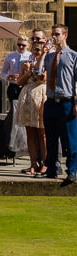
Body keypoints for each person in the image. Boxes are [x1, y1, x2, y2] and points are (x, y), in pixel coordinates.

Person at [42, 24, 77, 187]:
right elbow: (37, 72)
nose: (54, 37)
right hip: (51, 102)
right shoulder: (49, 57)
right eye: (53, 34)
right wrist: (43, 54)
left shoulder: (73, 56)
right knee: (51, 137)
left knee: (69, 139)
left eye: (57, 34)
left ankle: (72, 171)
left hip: (66, 102)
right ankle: (52, 168)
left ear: (65, 35)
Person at [14, 34, 48, 176]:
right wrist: (28, 71)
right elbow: (19, 82)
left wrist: (36, 70)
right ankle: (33, 162)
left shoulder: (47, 63)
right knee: (30, 133)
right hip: (27, 96)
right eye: (34, 51)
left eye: (38, 51)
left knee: (42, 132)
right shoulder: (26, 64)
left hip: (41, 95)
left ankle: (46, 163)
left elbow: (43, 78)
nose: (36, 53)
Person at [1, 35, 32, 111]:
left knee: (24, 110)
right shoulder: (10, 56)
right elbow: (3, 72)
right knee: (14, 109)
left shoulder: (31, 56)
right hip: (13, 85)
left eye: (23, 45)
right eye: (19, 45)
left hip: (25, 86)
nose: (21, 47)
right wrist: (9, 76)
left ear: (28, 45)